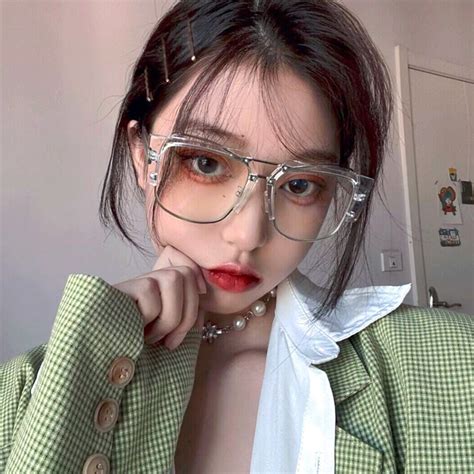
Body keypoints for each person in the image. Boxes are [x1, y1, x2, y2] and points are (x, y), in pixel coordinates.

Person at [1, 1, 472, 473]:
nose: (248, 235)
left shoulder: (445, 370)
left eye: (300, 185)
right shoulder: (24, 394)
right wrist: (93, 345)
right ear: (140, 157)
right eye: (206, 163)